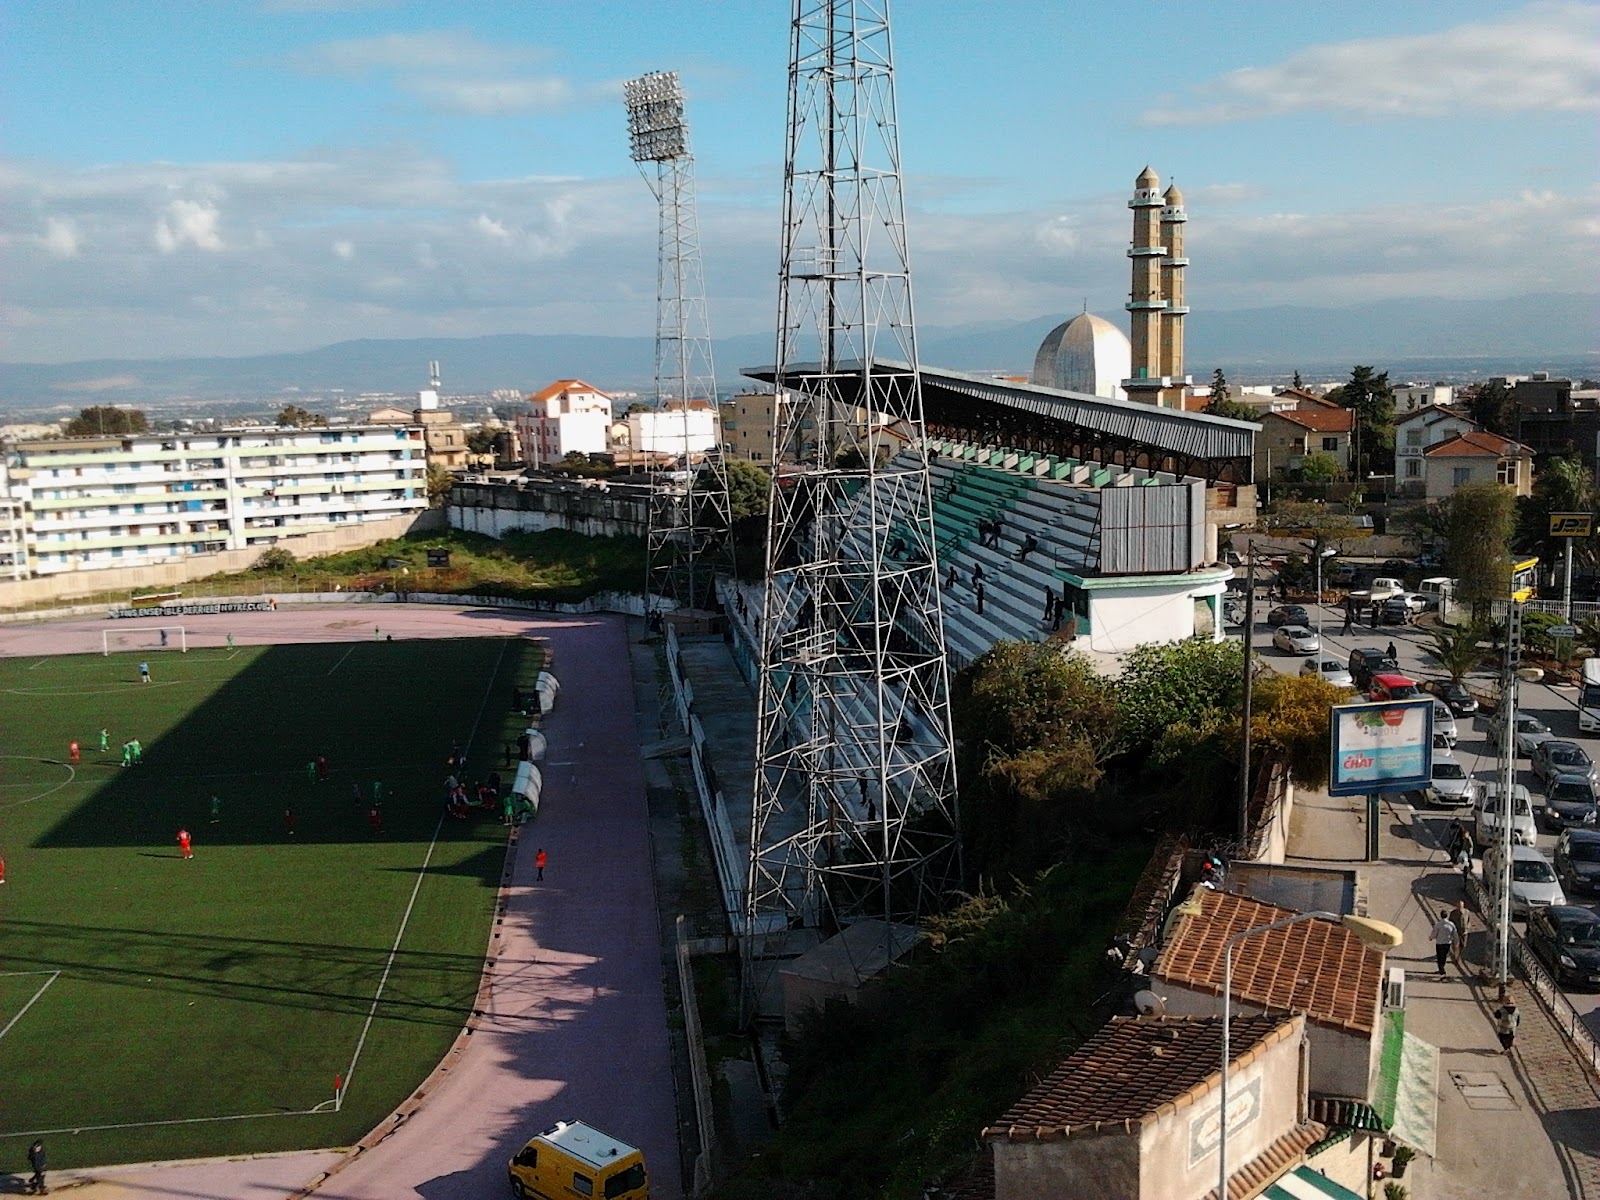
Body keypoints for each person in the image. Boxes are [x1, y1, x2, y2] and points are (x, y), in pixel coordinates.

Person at [1431, 910, 1458, 976]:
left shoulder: (1438, 925)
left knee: (1439, 956)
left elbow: (1434, 933)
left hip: (1440, 943)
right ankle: (1442, 968)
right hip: (1447, 943)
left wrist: (1431, 938)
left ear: (1441, 916)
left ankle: (1442, 970)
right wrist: (1456, 942)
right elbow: (1455, 934)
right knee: (1444, 956)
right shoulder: (1451, 924)